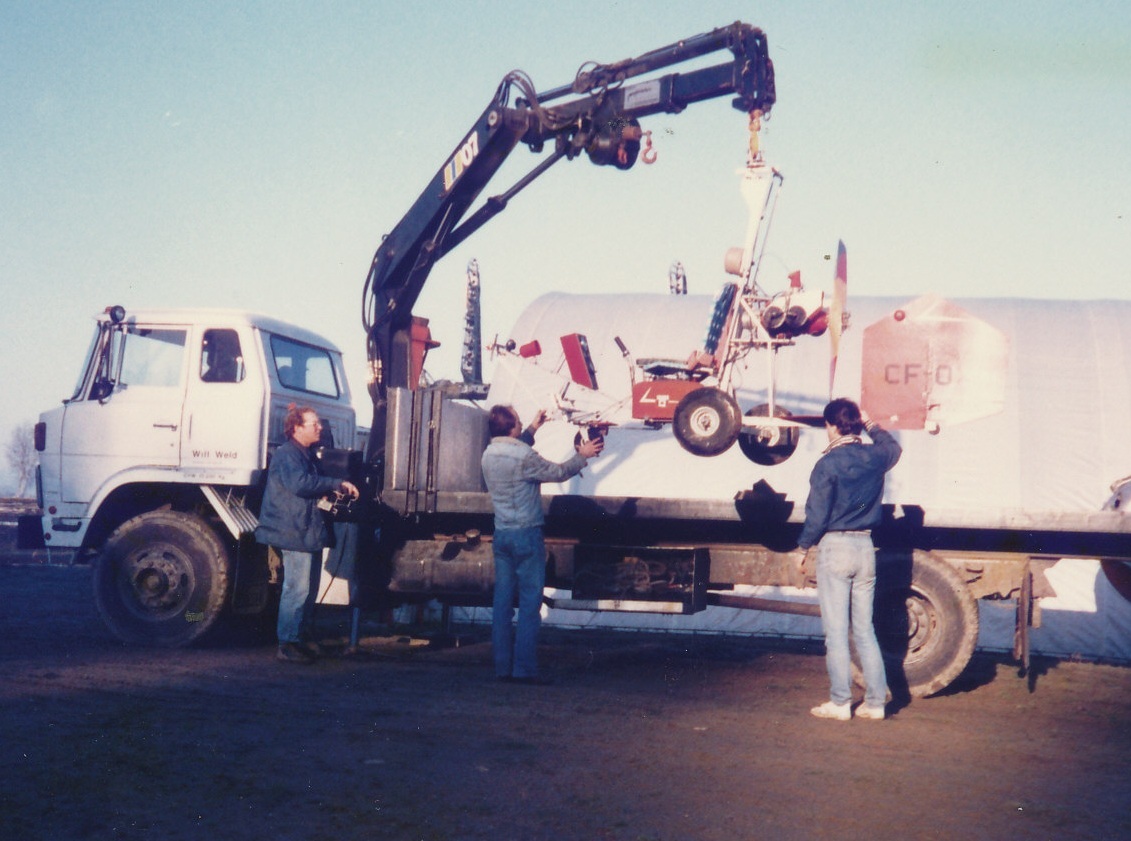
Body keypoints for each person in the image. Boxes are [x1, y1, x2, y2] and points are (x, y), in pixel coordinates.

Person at [481, 405, 603, 684]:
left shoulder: (489, 454)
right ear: (511, 427)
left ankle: (502, 668)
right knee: (529, 604)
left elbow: (515, 452)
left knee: (501, 605)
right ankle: (524, 669)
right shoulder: (524, 456)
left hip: (502, 535)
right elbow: (557, 472)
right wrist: (581, 456)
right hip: (527, 535)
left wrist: (534, 427)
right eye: (520, 420)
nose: (522, 422)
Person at [798, 398, 901, 721]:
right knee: (865, 631)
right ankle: (875, 704)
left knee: (837, 633)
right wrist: (871, 424)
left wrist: (802, 548)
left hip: (836, 549)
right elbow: (893, 449)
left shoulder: (827, 465)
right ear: (856, 425)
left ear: (830, 425)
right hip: (865, 549)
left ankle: (841, 703)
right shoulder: (875, 457)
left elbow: (816, 515)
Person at [255, 404, 359, 663]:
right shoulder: (288, 454)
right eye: (315, 424)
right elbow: (299, 484)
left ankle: (299, 639)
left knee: (308, 589)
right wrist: (335, 483)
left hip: (304, 531)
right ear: (297, 428)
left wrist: (328, 489)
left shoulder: (305, 454)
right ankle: (288, 643)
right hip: (294, 532)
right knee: (298, 589)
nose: (320, 427)